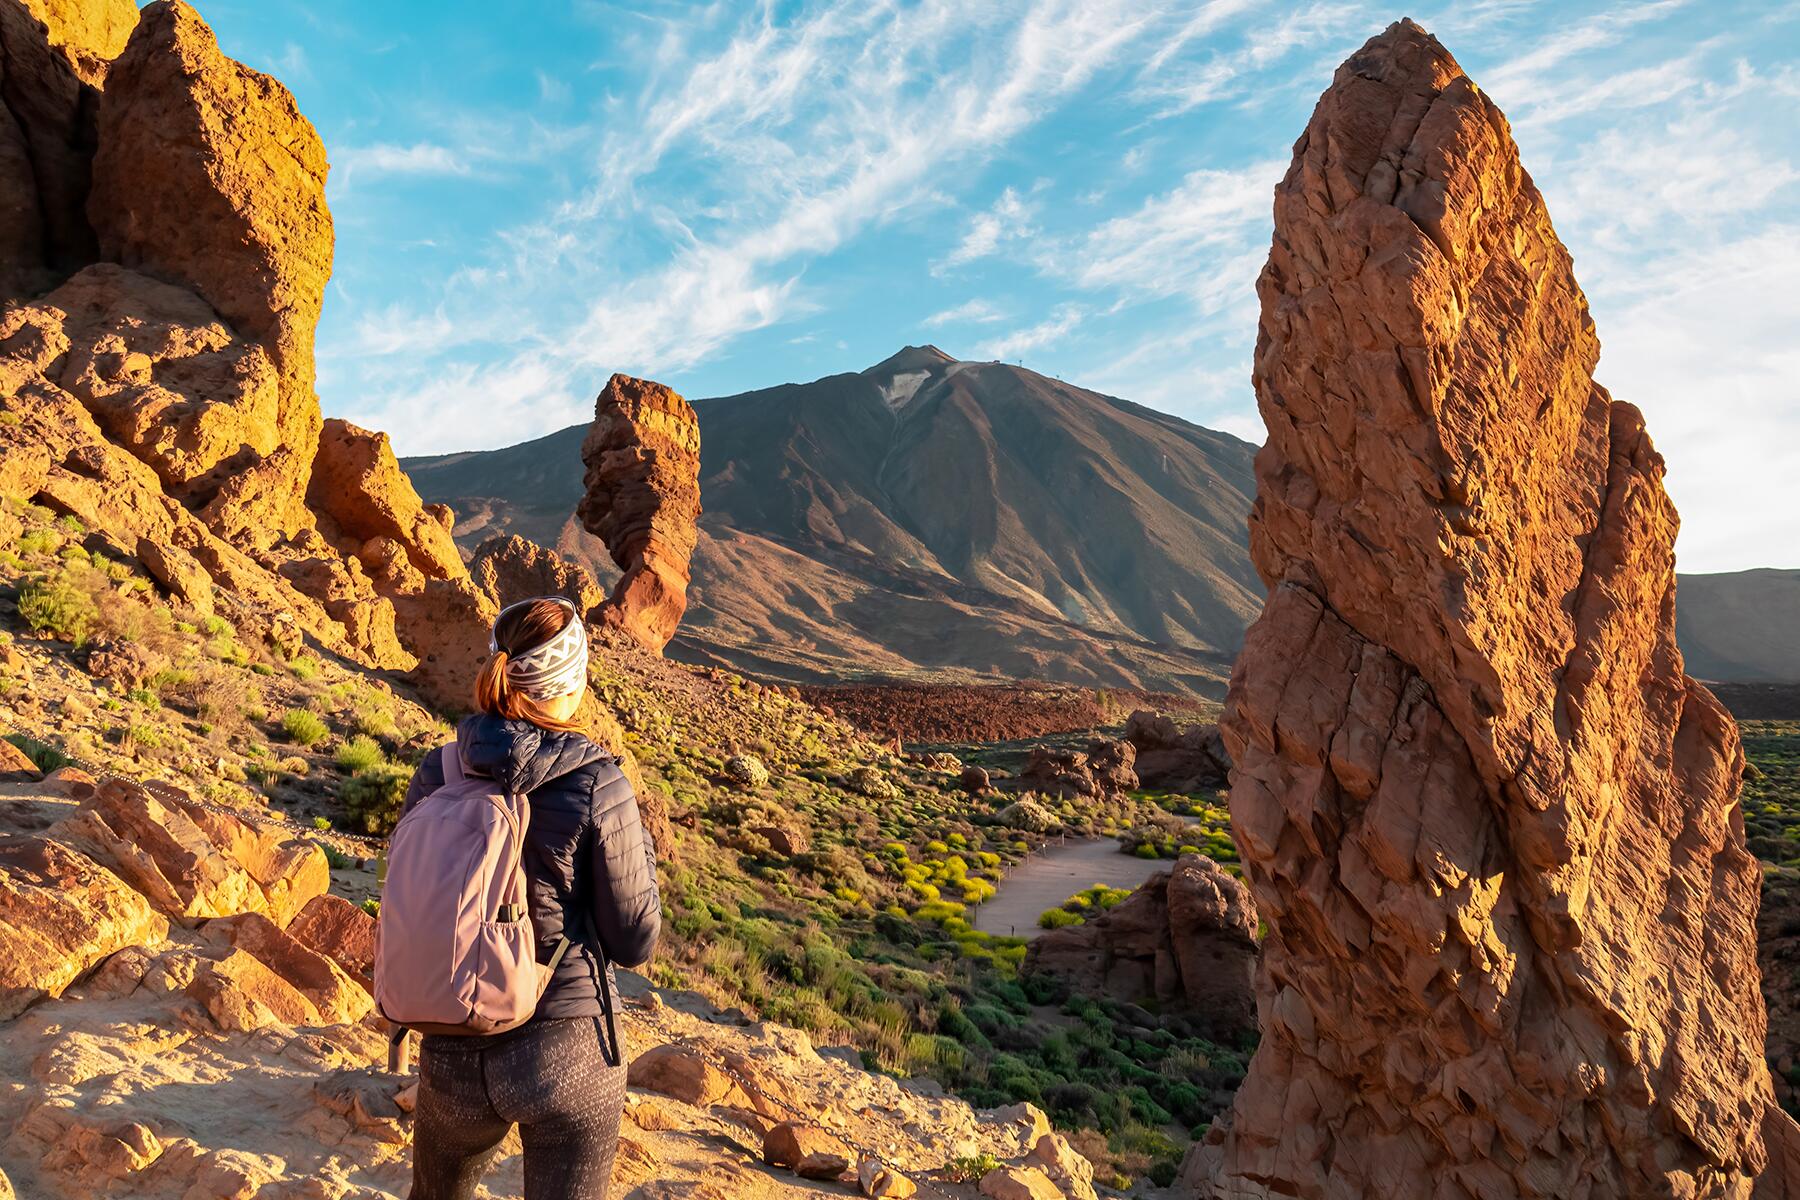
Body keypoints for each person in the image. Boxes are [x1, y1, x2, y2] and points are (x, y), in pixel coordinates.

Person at [403, 596, 660, 1200]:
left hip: (451, 1034)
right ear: (572, 682)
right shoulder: (597, 780)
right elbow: (634, 941)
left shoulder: (439, 770)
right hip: (562, 1043)